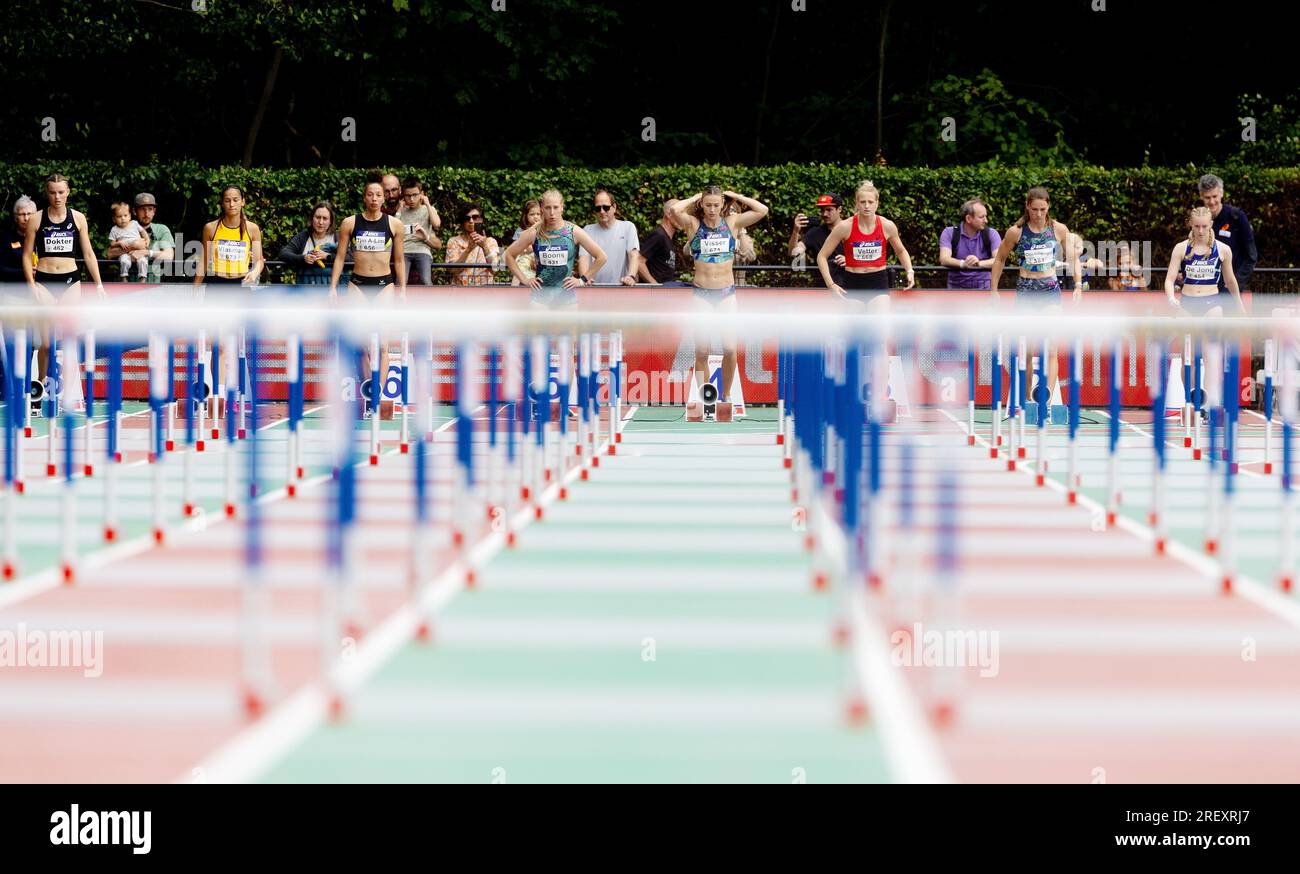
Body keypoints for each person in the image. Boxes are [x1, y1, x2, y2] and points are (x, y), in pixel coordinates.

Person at [668, 186, 768, 400]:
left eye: (716, 205)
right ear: (702, 205)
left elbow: (762, 210)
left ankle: (727, 395)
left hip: (726, 294)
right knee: (702, 350)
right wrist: (695, 196)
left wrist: (738, 196)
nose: (712, 209)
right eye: (708, 205)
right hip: (701, 294)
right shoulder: (694, 224)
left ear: (722, 204)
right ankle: (706, 397)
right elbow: (675, 210)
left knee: (730, 349)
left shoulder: (731, 223)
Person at [988, 186, 1082, 398]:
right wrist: (993, 289)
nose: (1039, 214)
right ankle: (1029, 400)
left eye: (1043, 209)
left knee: (1051, 349)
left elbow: (1073, 258)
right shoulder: (1016, 232)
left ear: (1048, 207)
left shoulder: (1059, 229)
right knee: (1028, 351)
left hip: (1050, 291)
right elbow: (1000, 259)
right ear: (1027, 207)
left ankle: (1046, 401)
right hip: (1026, 293)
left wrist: (1077, 285)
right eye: (1035, 209)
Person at [330, 172, 408, 417]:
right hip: (357, 285)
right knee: (364, 343)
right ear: (364, 197)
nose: (374, 198)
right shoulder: (349, 223)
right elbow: (341, 257)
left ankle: (379, 396)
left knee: (383, 344)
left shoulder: (394, 224)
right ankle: (369, 392)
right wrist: (333, 287)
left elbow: (399, 260)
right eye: (370, 194)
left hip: (384, 284)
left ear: (384, 198)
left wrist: (402, 289)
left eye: (379, 194)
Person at [22, 173, 107, 394]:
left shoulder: (78, 218)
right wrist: (31, 284)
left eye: (61, 192)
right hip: (44, 280)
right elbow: (26, 254)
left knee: (69, 336)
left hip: (70, 280)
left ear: (68, 192)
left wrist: (98, 284)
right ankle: (40, 383)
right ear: (47, 193)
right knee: (47, 342)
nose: (57, 196)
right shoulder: (36, 219)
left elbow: (88, 253)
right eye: (52, 192)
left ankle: (69, 387)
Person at [815, 180, 915, 311]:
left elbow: (901, 251)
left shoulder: (887, 225)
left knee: (879, 326)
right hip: (853, 283)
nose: (867, 206)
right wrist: (831, 285)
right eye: (862, 202)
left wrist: (910, 271)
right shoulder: (844, 227)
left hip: (878, 282)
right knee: (855, 329)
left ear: (877, 204)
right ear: (856, 204)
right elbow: (821, 256)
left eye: (870, 202)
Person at [505, 189, 606, 309]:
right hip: (540, 300)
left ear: (562, 207)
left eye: (556, 207)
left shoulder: (573, 231)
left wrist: (582, 280)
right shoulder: (534, 233)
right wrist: (525, 280)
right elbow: (508, 255)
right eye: (548, 208)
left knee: (567, 328)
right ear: (542, 208)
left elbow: (602, 257)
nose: (552, 212)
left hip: (567, 300)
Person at [1164, 206, 1244, 317]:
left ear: (1211, 224)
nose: (1200, 231)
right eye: (1197, 226)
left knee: (1212, 333)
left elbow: (1230, 281)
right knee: (1185, 333)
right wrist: (1171, 298)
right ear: (1190, 224)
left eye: (1204, 226)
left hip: (1212, 303)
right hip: (1187, 303)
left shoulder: (1223, 249)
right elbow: (1169, 280)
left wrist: (1239, 305)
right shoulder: (1180, 248)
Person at [1198, 173, 1257, 293]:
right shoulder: (1199, 219)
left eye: (1215, 196)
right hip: (1204, 290)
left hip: (1229, 293)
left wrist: (1236, 282)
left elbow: (1251, 256)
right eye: (1207, 197)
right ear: (1201, 196)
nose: (1212, 201)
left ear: (1221, 194)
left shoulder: (1236, 217)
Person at [109, 193, 175, 284]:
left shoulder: (161, 229)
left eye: (150, 209)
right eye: (142, 209)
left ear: (154, 211)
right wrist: (134, 245)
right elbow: (110, 254)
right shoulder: (119, 229)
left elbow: (169, 255)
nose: (146, 213)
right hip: (126, 286)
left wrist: (146, 252)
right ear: (134, 211)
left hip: (152, 285)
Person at [938, 198, 1001, 290]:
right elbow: (944, 259)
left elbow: (998, 261)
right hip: (956, 292)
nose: (986, 220)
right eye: (981, 217)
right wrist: (963, 264)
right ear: (968, 218)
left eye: (986, 216)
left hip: (983, 291)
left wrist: (978, 263)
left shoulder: (992, 233)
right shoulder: (949, 232)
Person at [280, 201, 347, 286]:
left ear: (330, 221)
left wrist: (327, 256)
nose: (321, 222)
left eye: (325, 218)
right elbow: (283, 253)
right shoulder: (303, 236)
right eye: (318, 217)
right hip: (305, 291)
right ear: (312, 218)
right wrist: (303, 258)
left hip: (333, 291)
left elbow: (350, 257)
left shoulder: (337, 237)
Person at [580, 189, 640, 286]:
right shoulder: (587, 230)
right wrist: (584, 279)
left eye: (606, 207)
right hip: (594, 288)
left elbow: (634, 255)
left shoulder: (628, 227)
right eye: (598, 208)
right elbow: (583, 258)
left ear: (614, 207)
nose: (602, 211)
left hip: (622, 288)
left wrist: (631, 276)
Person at [788, 193, 846, 288]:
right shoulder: (815, 233)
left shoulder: (851, 228)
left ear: (839, 209)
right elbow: (793, 253)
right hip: (824, 288)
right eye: (822, 210)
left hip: (851, 287)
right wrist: (795, 231)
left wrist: (851, 261)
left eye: (829, 210)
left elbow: (868, 256)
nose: (824, 214)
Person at [395, 176, 441, 285]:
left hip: (422, 250)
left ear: (421, 194)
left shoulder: (427, 209)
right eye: (408, 196)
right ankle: (399, 302)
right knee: (401, 282)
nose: (411, 199)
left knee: (426, 281)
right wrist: (399, 211)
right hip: (404, 251)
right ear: (403, 196)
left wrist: (428, 204)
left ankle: (428, 302)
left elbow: (437, 224)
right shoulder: (401, 211)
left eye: (415, 195)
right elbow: (394, 230)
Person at [445, 201, 501, 286]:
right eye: (467, 218)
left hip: (485, 292)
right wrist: (468, 250)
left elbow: (498, 270)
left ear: (481, 220)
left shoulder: (492, 241)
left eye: (475, 217)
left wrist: (485, 246)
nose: (471, 221)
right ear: (462, 222)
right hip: (460, 292)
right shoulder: (453, 241)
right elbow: (452, 270)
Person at [638, 199, 687, 286]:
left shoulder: (669, 238)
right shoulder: (659, 235)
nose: (682, 217)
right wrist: (655, 286)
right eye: (680, 213)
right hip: (653, 295)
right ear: (668, 214)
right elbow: (639, 262)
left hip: (665, 292)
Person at [106, 201, 150, 281]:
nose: (123, 218)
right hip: (125, 252)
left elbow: (143, 232)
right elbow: (112, 243)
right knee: (124, 261)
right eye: (119, 216)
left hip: (137, 251)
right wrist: (119, 242)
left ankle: (143, 278)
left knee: (143, 261)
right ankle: (124, 277)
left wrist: (147, 239)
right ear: (114, 219)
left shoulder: (134, 224)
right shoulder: (115, 229)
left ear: (129, 216)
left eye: (125, 215)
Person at [0, 196, 37, 284]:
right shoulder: (6, 238)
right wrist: (26, 272)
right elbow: (1, 269)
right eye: (22, 214)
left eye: (29, 214)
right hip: (16, 289)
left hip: (43, 289)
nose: (26, 218)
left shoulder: (42, 237)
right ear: (16, 217)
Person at [510, 199, 541, 286]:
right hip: (523, 257)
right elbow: (514, 248)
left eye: (538, 214)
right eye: (532, 214)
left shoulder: (543, 230)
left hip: (538, 257)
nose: (536, 217)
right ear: (526, 216)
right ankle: (513, 291)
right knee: (518, 269)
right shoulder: (521, 230)